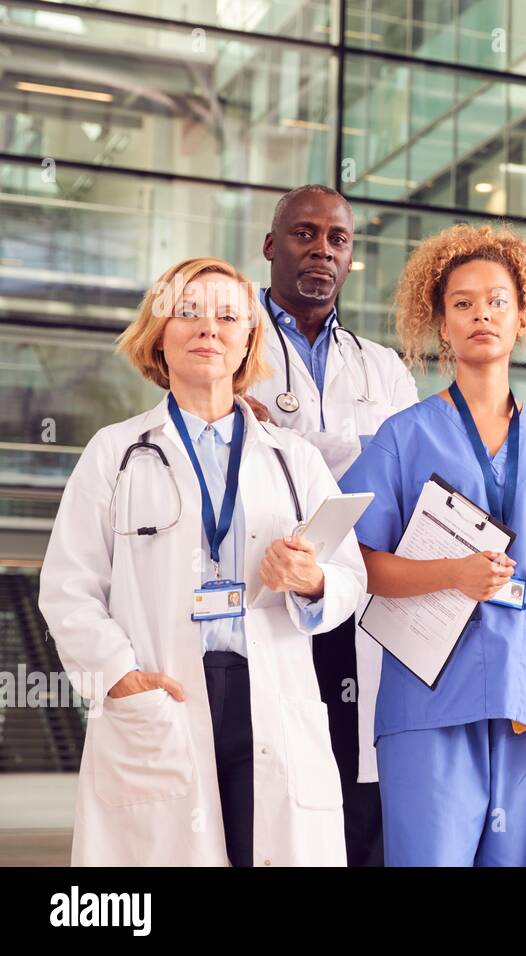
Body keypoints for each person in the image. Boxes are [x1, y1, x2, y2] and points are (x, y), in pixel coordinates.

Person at [39, 257, 366, 866]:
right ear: (159, 334)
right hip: (164, 689)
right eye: (186, 312)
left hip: (267, 692)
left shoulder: (293, 459)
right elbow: (68, 587)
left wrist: (313, 580)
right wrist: (117, 674)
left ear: (248, 340)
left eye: (227, 316)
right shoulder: (115, 452)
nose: (207, 327)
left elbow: (350, 578)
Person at [337, 223, 526, 866]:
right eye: (462, 303)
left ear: (523, 319)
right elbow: (359, 567)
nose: (481, 314)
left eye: (497, 301)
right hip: (428, 705)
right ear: (442, 325)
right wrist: (451, 573)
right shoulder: (403, 437)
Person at [244, 184, 418, 867]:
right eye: (303, 233)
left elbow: (404, 480)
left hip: (362, 596)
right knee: (274, 792)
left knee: (359, 797)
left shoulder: (384, 367)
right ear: (271, 245)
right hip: (266, 594)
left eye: (337, 239)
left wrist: (288, 437)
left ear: (351, 258)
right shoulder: (231, 346)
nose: (322, 249)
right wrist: (354, 447)